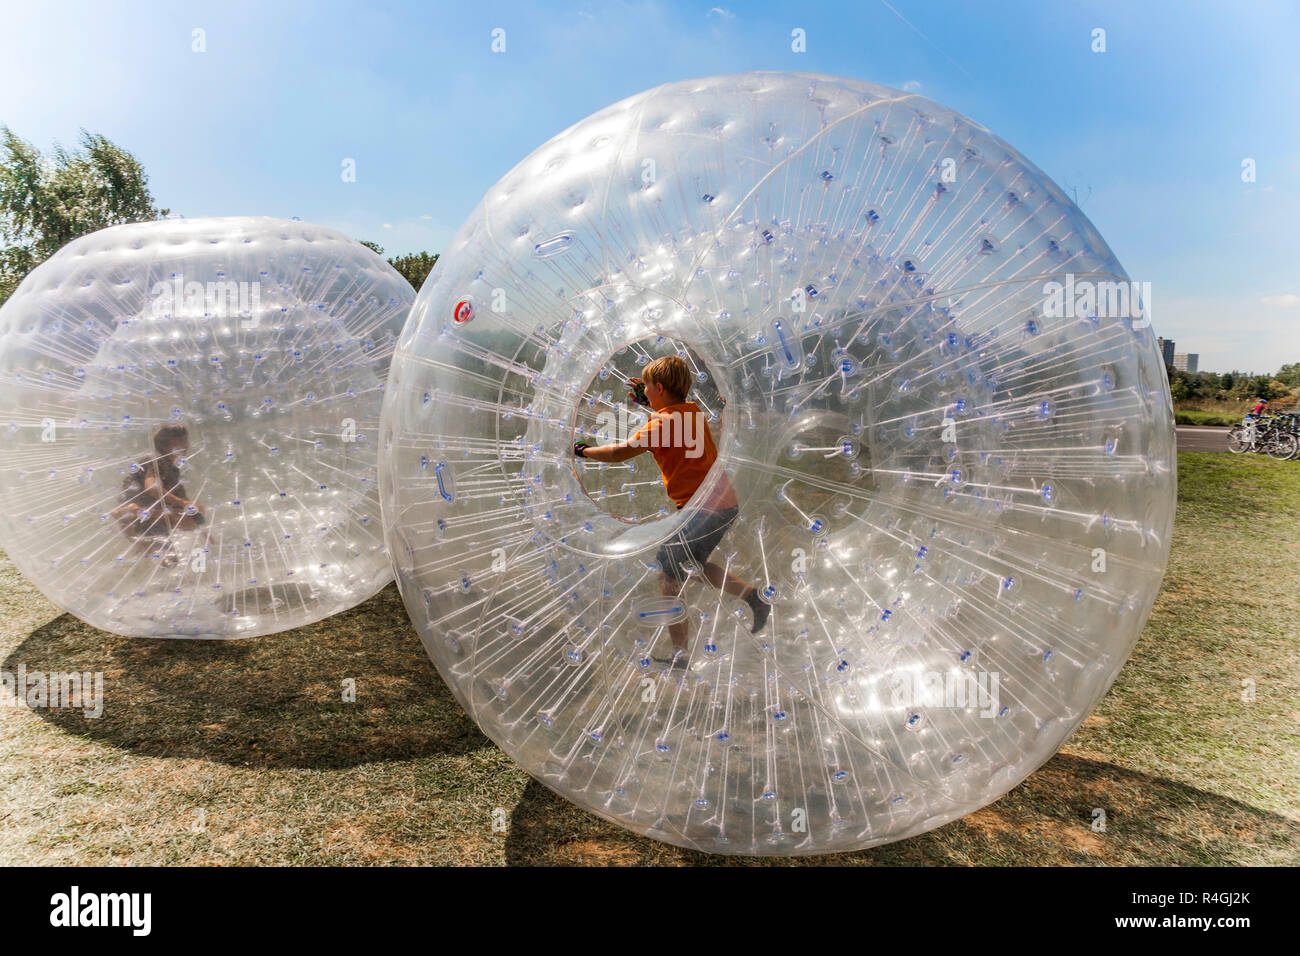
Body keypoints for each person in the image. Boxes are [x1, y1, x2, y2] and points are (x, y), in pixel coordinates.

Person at [573, 356, 768, 668]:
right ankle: (752, 597)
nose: (644, 391)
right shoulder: (691, 414)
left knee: (669, 574)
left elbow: (620, 451)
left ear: (659, 388)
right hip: (720, 505)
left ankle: (681, 654)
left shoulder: (661, 423)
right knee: (692, 565)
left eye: (647, 386)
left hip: (703, 509)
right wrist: (648, 402)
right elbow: (669, 420)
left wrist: (583, 451)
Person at [112, 423, 205, 548]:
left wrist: (203, 529)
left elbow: (188, 506)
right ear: (164, 446)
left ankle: (137, 516)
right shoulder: (158, 461)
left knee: (156, 557)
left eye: (185, 440)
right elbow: (153, 488)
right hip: (142, 510)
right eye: (180, 441)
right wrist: (183, 503)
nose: (185, 444)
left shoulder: (172, 470)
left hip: (148, 516)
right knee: (165, 558)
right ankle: (134, 512)